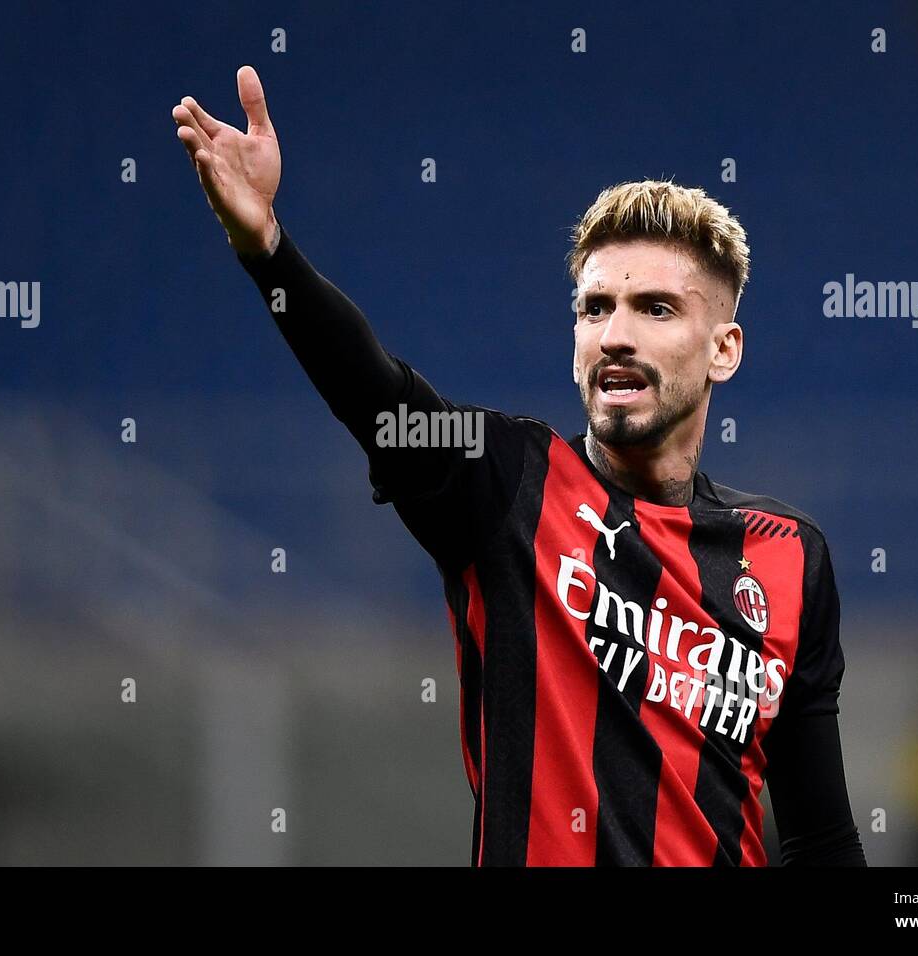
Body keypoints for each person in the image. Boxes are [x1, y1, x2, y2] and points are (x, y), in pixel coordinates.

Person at [172, 66, 866, 867]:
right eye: (595, 308)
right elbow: (376, 396)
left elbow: (821, 837)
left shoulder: (787, 556)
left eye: (656, 309)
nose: (615, 335)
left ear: (724, 350)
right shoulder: (506, 483)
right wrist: (269, 251)